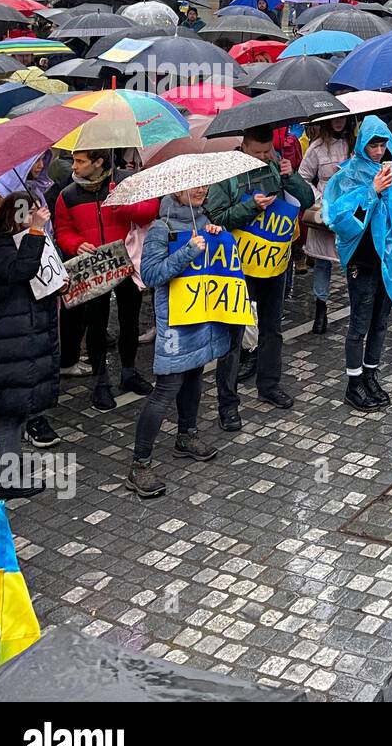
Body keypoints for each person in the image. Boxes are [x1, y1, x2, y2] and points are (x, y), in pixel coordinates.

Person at [207, 125, 315, 429]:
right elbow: (216, 219)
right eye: (258, 152)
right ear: (243, 146)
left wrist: (290, 175)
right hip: (239, 266)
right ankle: (227, 403)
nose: (265, 157)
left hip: (273, 262)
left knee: (272, 329)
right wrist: (249, 207)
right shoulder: (226, 171)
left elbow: (305, 199)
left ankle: (269, 385)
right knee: (233, 336)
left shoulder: (275, 163)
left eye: (268, 151)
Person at [127, 186, 233, 498]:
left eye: (203, 185)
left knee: (194, 377)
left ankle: (187, 435)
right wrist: (189, 252)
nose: (201, 189)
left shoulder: (204, 219)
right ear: (175, 191)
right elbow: (150, 275)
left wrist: (217, 237)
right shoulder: (162, 227)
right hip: (175, 323)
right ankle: (139, 463)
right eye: (192, 186)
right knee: (166, 389)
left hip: (201, 315)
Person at [323, 117, 392, 410]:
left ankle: (370, 374)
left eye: (383, 144)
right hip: (363, 260)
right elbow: (338, 218)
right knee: (359, 324)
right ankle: (353, 383)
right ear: (362, 144)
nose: (379, 151)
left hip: (388, 262)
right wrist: (372, 192)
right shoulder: (348, 176)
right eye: (374, 145)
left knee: (380, 322)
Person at [54, 148, 159, 410]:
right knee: (97, 324)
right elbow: (63, 230)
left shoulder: (126, 181)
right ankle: (101, 382)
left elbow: (149, 211)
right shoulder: (67, 195)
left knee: (130, 320)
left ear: (99, 162)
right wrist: (76, 244)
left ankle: (129, 371)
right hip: (95, 270)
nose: (74, 167)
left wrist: (121, 203)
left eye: (80, 161)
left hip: (126, 264)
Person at [0, 193, 59, 501]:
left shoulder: (20, 240)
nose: (34, 214)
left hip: (25, 336)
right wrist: (37, 232)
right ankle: (3, 482)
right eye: (28, 211)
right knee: (9, 413)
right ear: (13, 215)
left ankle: (7, 467)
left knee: (19, 409)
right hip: (8, 340)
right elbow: (20, 271)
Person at [299, 115, 355, 335]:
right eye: (335, 118)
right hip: (325, 212)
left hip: (349, 209)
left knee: (351, 260)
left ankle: (356, 307)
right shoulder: (316, 148)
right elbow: (303, 177)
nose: (339, 122)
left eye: (343, 118)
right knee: (323, 262)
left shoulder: (355, 144)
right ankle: (320, 310)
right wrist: (319, 198)